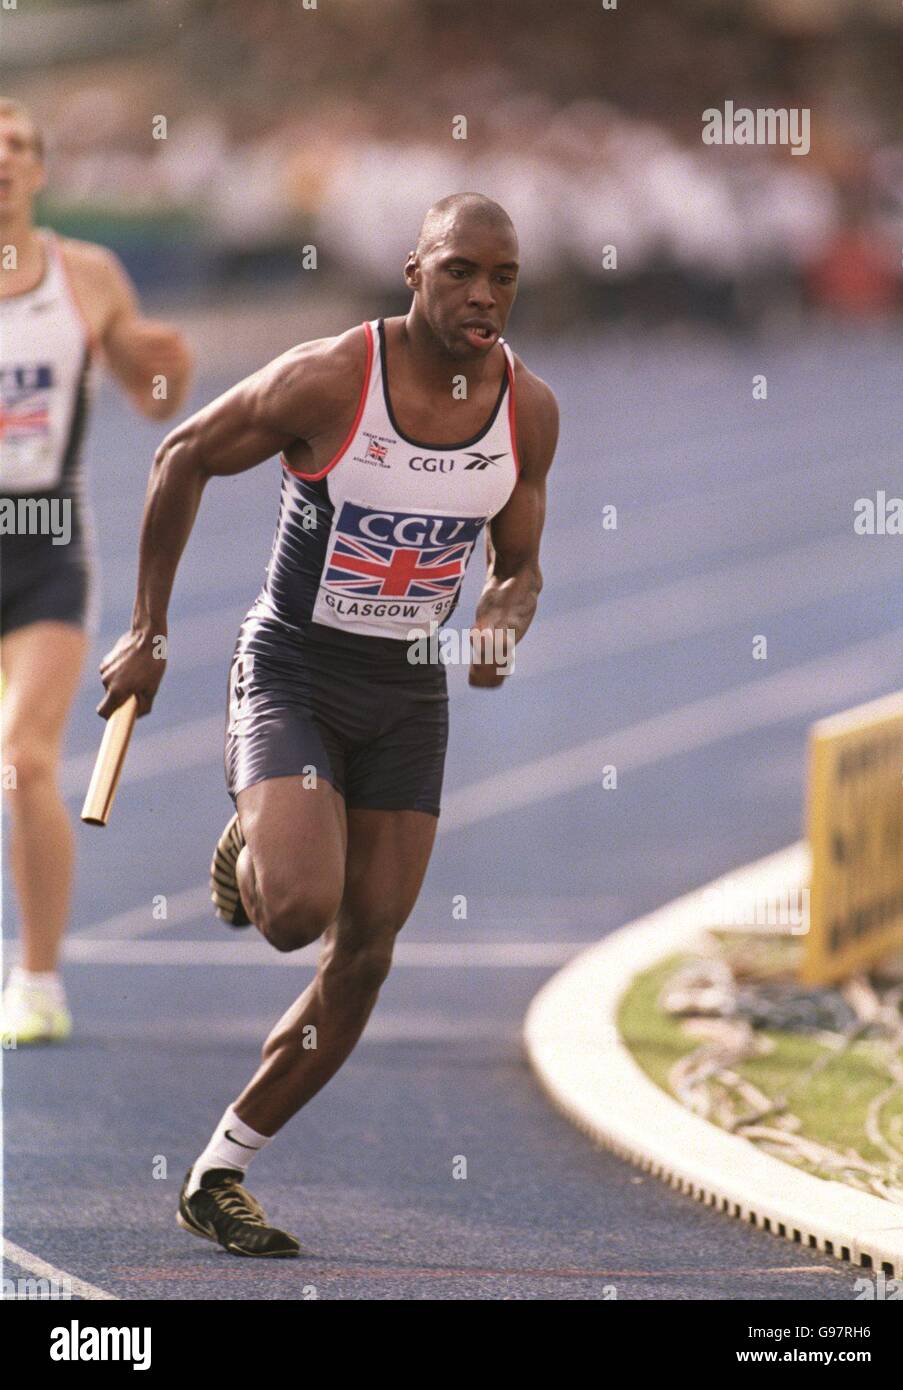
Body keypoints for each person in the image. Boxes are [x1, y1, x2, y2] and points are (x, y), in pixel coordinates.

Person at [99, 192, 559, 1257]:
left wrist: (502, 616)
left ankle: (220, 1167)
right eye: (459, 272)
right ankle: (265, 832)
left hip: (407, 694)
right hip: (295, 669)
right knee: (296, 912)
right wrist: (149, 631)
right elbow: (182, 454)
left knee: (366, 953)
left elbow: (521, 560)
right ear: (412, 271)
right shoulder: (333, 376)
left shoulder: (528, 410)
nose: (483, 295)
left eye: (503, 277)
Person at [0, 98, 193, 1045]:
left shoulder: (86, 276)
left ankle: (37, 980)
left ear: (40, 170)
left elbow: (152, 399)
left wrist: (167, 369)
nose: (1, 159)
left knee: (26, 760)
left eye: (18, 145)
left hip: (40, 544)